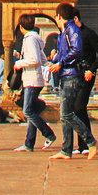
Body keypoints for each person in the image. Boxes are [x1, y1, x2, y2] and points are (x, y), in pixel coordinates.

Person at [48, 1, 98, 160]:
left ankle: (90, 141)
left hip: (72, 75)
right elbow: (66, 52)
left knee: (66, 114)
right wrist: (56, 60)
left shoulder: (72, 30)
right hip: (65, 74)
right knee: (65, 115)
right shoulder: (64, 31)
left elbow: (77, 50)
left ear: (59, 16)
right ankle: (66, 150)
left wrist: (61, 63)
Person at [12, 14, 56, 151]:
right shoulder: (35, 39)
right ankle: (29, 143)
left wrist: (19, 63)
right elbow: (42, 59)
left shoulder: (29, 40)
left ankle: (49, 134)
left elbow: (35, 60)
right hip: (34, 79)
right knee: (31, 111)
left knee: (28, 111)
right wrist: (50, 66)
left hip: (32, 80)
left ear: (21, 26)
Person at [73, 9, 98, 154]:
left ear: (75, 19)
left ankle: (87, 143)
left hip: (87, 74)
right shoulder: (72, 35)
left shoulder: (88, 33)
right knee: (77, 109)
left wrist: (92, 70)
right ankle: (82, 146)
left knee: (79, 107)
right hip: (76, 74)